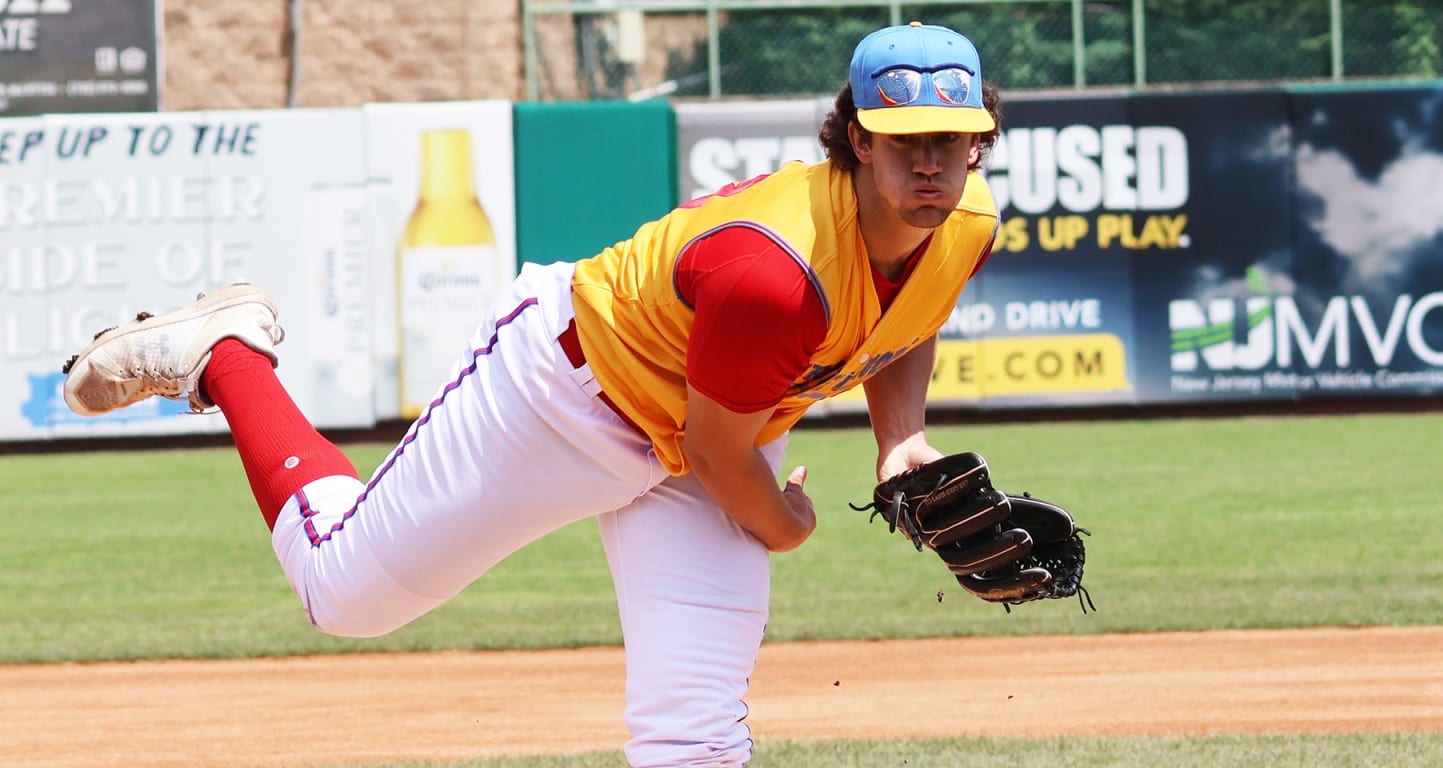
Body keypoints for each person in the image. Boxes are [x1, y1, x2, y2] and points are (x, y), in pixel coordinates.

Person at [61, 21, 1003, 768]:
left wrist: (900, 440)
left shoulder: (964, 221)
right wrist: (788, 527)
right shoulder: (777, 269)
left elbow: (907, 319)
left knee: (695, 735)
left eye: (953, 139)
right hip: (566, 400)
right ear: (856, 141)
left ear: (979, 142)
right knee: (343, 592)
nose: (930, 161)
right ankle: (228, 353)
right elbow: (720, 457)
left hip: (704, 428)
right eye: (904, 140)